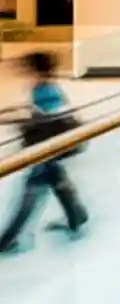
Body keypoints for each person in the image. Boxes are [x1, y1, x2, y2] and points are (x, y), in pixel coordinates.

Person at [0, 51, 88, 253]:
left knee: (32, 190)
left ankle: (8, 239)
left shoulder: (44, 90)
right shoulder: (46, 87)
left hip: (47, 147)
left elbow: (50, 117)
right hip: (51, 147)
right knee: (56, 181)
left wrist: (21, 122)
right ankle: (76, 215)